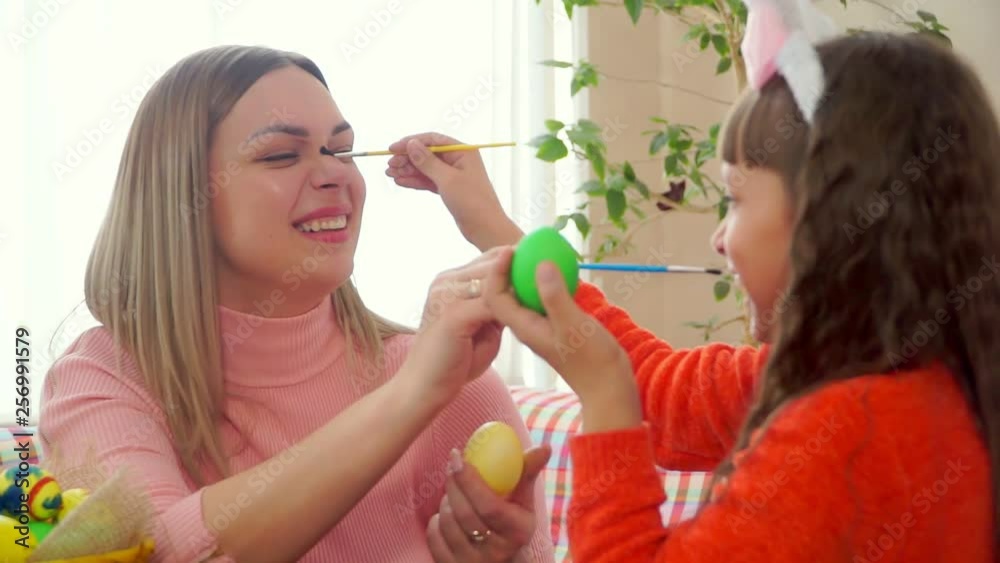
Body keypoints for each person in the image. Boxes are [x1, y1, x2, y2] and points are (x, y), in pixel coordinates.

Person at [385, 23, 1000, 563]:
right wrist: (496, 229)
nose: (718, 239)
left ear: (825, 220)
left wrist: (605, 402)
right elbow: (667, 397)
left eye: (733, 200)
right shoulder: (929, 377)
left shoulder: (847, 430)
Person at [39, 45, 555, 563]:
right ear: (183, 195)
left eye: (342, 151)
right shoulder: (102, 378)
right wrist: (411, 395)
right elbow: (159, 553)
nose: (335, 175)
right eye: (281, 155)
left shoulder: (453, 379)